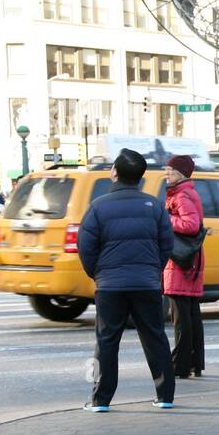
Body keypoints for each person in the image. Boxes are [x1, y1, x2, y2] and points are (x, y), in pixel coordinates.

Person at [77, 149, 176, 411]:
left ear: (114, 173)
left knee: (106, 341)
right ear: (141, 176)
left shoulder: (98, 207)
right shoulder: (154, 205)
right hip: (146, 283)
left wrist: (97, 273)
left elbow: (85, 246)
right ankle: (165, 396)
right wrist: (154, 268)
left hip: (110, 285)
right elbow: (167, 244)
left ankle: (100, 400)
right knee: (155, 337)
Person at [163, 155, 206, 380]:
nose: (166, 174)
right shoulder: (186, 192)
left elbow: (191, 225)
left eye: (170, 170)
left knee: (181, 316)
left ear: (180, 173)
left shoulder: (181, 195)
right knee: (190, 314)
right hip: (190, 259)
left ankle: (180, 365)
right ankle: (194, 363)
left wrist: (165, 219)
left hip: (181, 261)